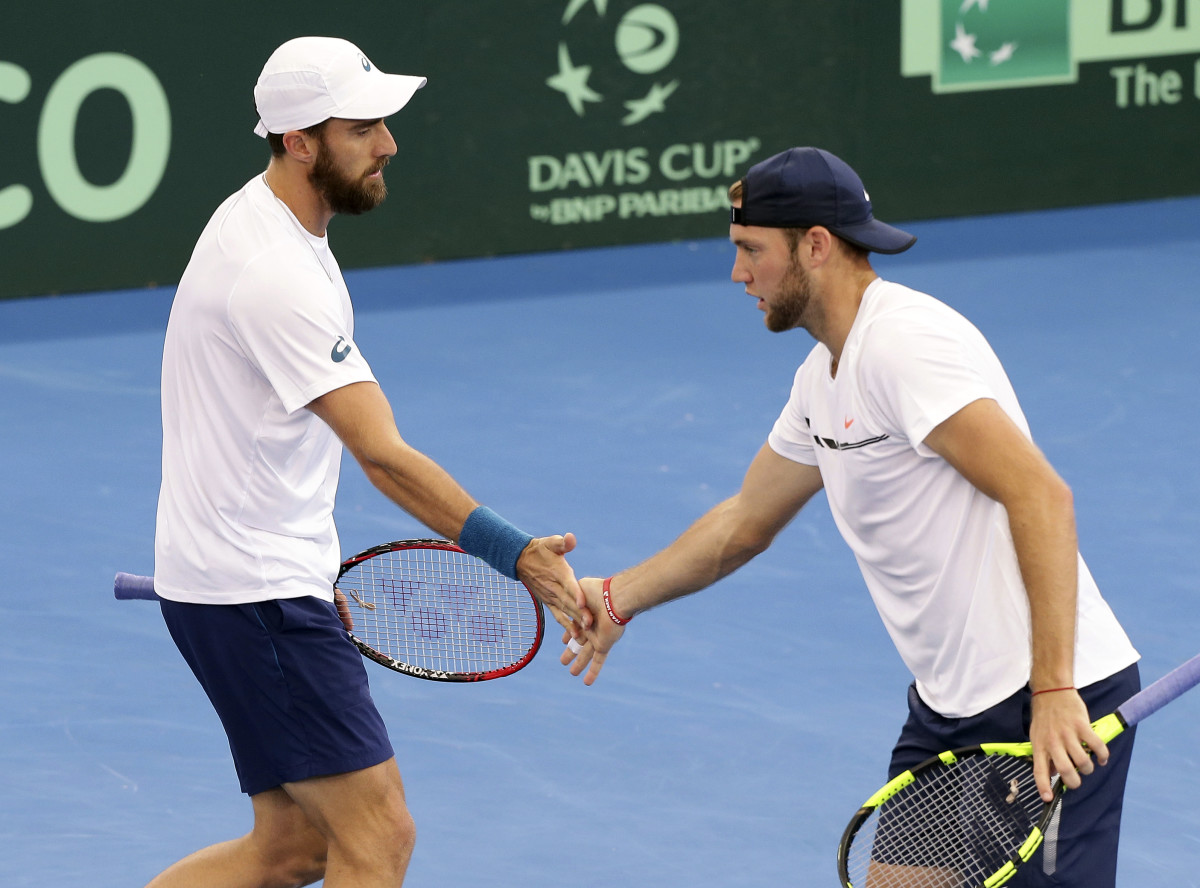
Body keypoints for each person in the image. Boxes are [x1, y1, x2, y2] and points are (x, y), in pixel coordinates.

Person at [563, 147, 1140, 887]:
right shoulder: (822, 377)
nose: (737, 274)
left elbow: (1040, 495)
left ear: (815, 245)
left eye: (750, 250)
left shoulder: (904, 346)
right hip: (949, 710)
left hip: (1047, 700)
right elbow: (745, 521)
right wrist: (617, 598)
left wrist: (1054, 691)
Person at [149, 36, 584, 888]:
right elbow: (382, 455)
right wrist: (517, 554)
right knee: (379, 836)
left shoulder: (268, 223)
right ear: (298, 142)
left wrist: (306, 573)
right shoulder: (274, 273)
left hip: (243, 579)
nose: (388, 144)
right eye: (361, 129)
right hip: (254, 591)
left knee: (292, 848)